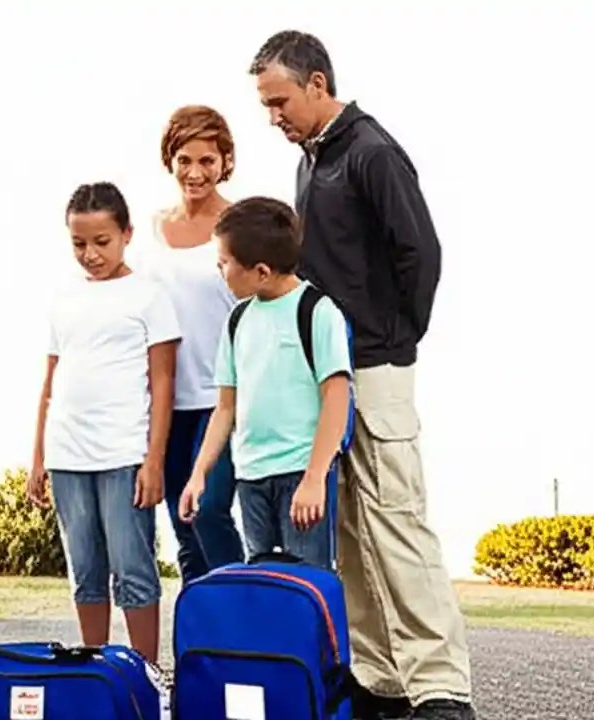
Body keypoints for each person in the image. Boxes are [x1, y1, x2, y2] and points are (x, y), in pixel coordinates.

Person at [245, 29, 475, 720]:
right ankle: (381, 680)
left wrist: (393, 340)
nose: (273, 115)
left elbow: (421, 254)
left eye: (279, 100)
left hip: (376, 366)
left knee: (397, 522)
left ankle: (440, 687)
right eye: (264, 105)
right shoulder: (311, 164)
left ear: (318, 84)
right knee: (351, 530)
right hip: (328, 375)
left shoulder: (371, 153)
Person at [26, 181, 179, 665]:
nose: (90, 254)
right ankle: (94, 675)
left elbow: (164, 384)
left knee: (133, 569)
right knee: (85, 570)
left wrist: (154, 461)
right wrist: (37, 460)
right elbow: (49, 385)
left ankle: (146, 676)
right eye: (78, 243)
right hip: (68, 455)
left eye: (101, 242)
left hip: (123, 454)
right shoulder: (63, 300)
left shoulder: (149, 296)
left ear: (127, 234)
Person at [177, 196, 352, 571]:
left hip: (300, 476)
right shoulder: (237, 320)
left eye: (224, 263)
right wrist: (199, 473)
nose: (219, 270)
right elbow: (226, 408)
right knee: (265, 591)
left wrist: (314, 477)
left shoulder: (318, 313)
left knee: (306, 591)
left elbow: (337, 400)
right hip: (251, 477)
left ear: (260, 271)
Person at [130, 105, 245, 585]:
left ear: (225, 161)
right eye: (184, 159)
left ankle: (242, 612)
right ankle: (203, 639)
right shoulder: (151, 230)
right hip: (163, 401)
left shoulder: (238, 225)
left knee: (211, 509)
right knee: (181, 522)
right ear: (169, 160)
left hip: (221, 398)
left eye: (207, 160)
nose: (195, 172)